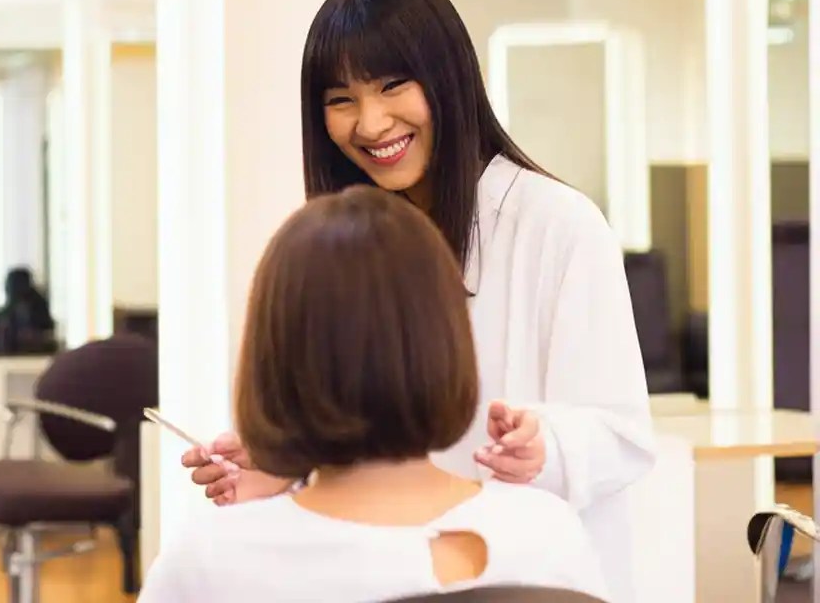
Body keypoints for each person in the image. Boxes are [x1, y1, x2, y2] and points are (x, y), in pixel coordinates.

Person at [180, 0, 654, 601]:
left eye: (392, 86)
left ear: (449, 80)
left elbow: (621, 435)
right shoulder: (345, 244)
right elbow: (365, 427)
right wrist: (292, 469)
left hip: (511, 577)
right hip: (374, 570)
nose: (371, 124)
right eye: (341, 99)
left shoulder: (557, 225)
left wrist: (547, 446)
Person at [142, 188, 608, 602]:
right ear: (447, 346)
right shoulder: (549, 535)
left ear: (272, 359)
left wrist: (269, 522)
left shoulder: (212, 562)